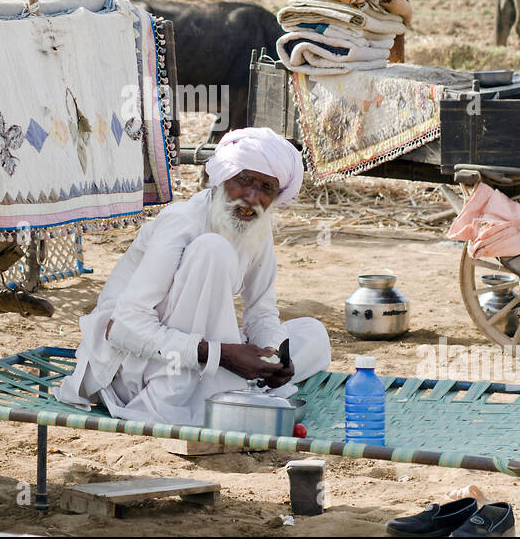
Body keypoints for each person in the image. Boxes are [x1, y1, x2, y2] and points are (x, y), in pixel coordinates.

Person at [55, 127, 332, 425]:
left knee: (313, 334)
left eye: (266, 188)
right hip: (136, 365)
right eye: (244, 180)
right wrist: (223, 355)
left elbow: (262, 313)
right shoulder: (183, 221)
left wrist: (274, 354)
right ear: (223, 176)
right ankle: (196, 393)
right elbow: (122, 327)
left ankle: (228, 381)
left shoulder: (257, 228)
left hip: (202, 350)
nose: (252, 198)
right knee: (213, 249)